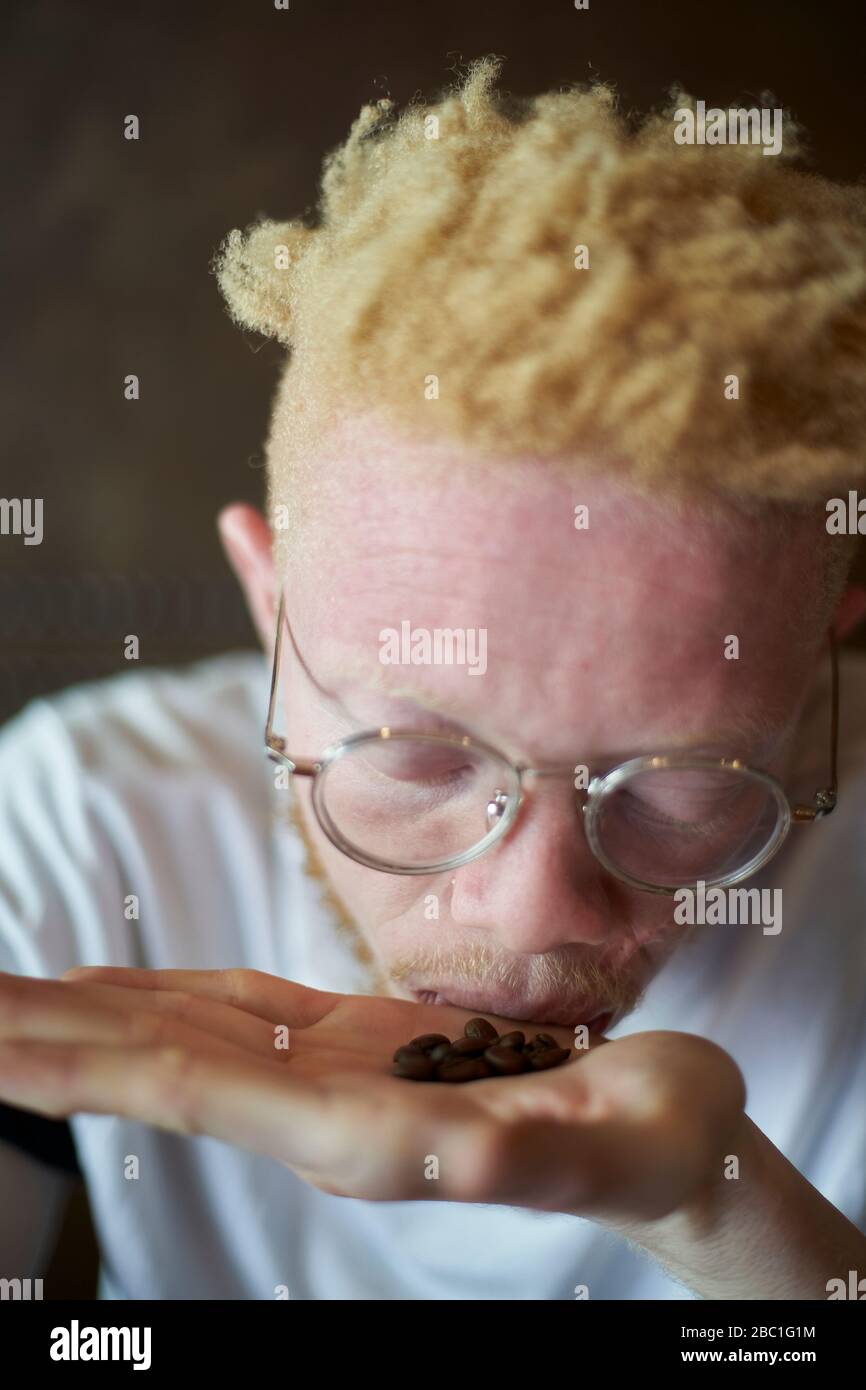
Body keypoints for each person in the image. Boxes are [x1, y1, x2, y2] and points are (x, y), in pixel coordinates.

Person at [2, 59, 866, 1301]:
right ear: (270, 602)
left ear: (822, 652)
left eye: (681, 784)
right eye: (416, 754)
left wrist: (719, 1207)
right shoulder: (73, 834)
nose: (531, 921)